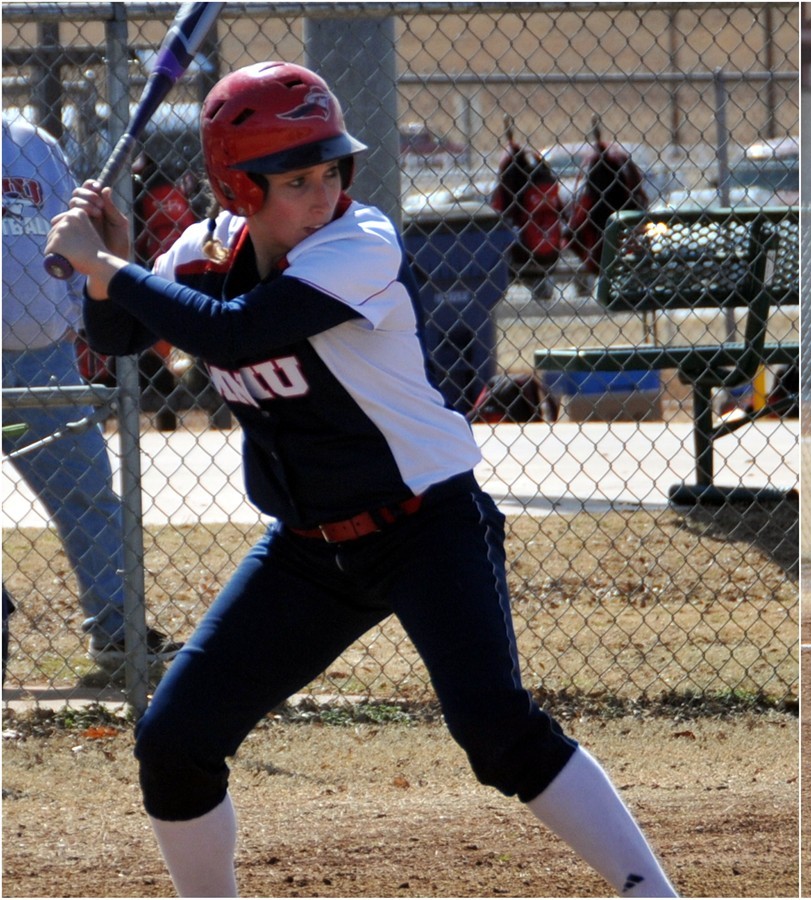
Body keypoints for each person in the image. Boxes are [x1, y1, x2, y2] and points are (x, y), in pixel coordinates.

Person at [47, 61, 676, 898]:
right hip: (308, 552)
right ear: (239, 188)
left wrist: (114, 271)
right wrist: (109, 268)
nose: (324, 192)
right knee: (175, 740)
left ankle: (651, 893)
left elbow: (238, 336)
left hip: (426, 527)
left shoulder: (361, 244)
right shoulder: (202, 253)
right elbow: (120, 335)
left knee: (497, 734)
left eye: (332, 168)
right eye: (296, 178)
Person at [2, 117, 185, 679]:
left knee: (87, 495)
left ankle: (118, 632)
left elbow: (69, 237)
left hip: (41, 357)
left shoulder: (32, 143)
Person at [491, 133, 565, 300]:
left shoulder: (512, 179)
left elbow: (497, 209)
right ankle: (541, 286)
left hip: (522, 252)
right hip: (551, 254)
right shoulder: (543, 175)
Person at [567, 140, 648, 290]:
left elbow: (572, 233)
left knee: (571, 234)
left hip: (597, 259)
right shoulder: (630, 204)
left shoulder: (590, 206)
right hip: (626, 259)